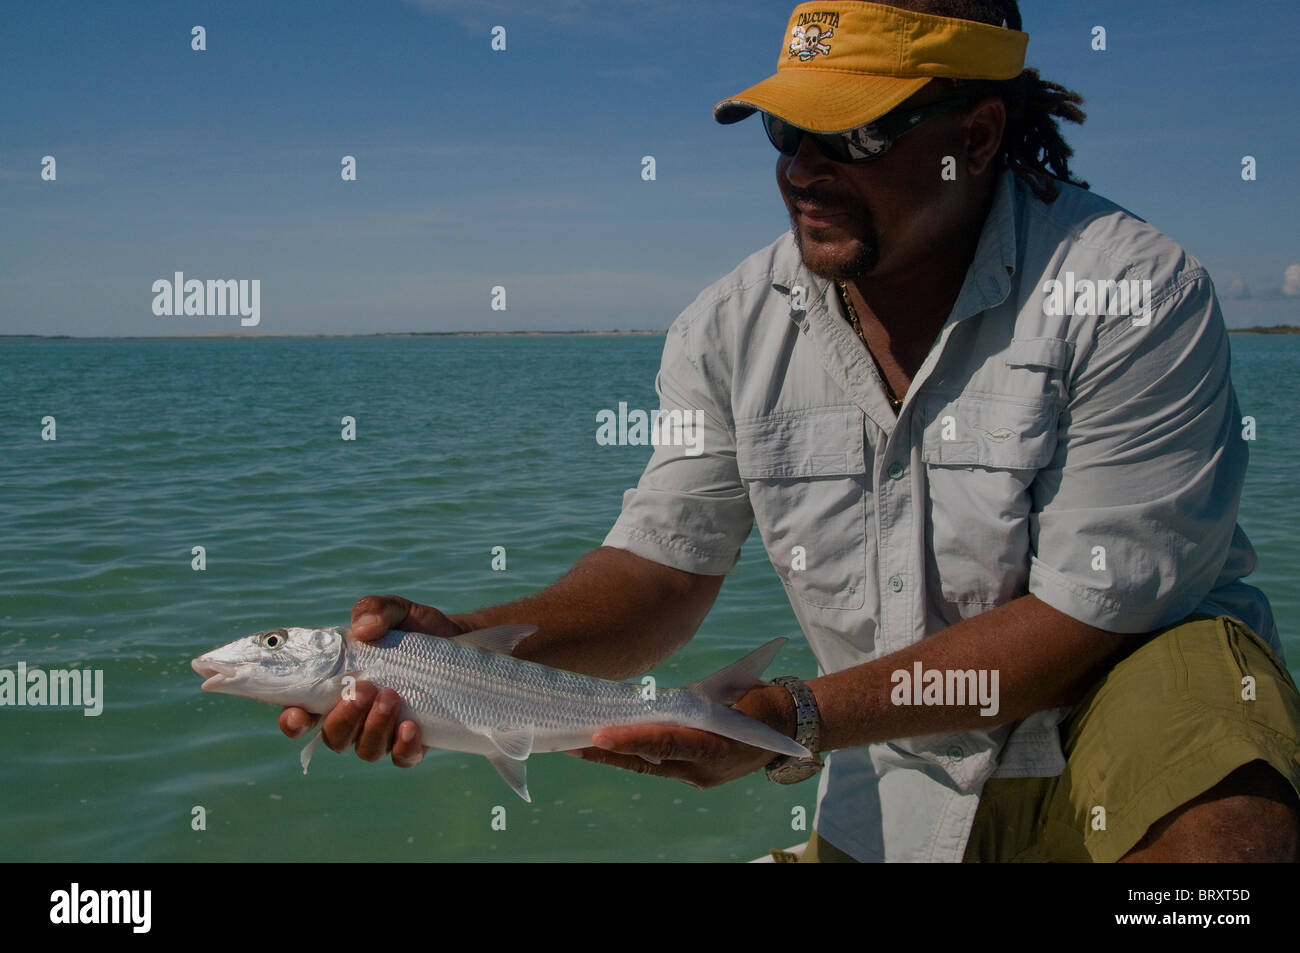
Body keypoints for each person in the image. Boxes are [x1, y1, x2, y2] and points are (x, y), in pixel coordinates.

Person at [280, 0, 1300, 861]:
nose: (805, 170)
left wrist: (798, 714)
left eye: (854, 135)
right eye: (786, 133)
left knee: (1202, 704)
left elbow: (1089, 618)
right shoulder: (724, 327)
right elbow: (662, 573)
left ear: (978, 138)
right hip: (886, 780)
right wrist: (469, 650)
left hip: (1107, 735)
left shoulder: (1130, 291)